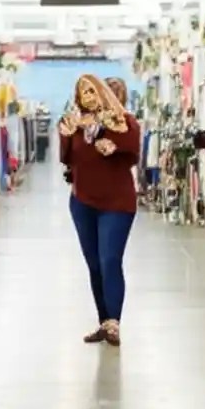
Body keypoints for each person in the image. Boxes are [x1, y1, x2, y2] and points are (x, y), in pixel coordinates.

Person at [58, 75, 141, 347]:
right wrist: (66, 134)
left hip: (117, 204)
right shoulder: (79, 124)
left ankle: (114, 323)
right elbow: (66, 158)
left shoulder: (126, 123)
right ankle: (104, 322)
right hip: (82, 204)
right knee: (94, 265)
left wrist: (113, 148)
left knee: (109, 260)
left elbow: (133, 153)